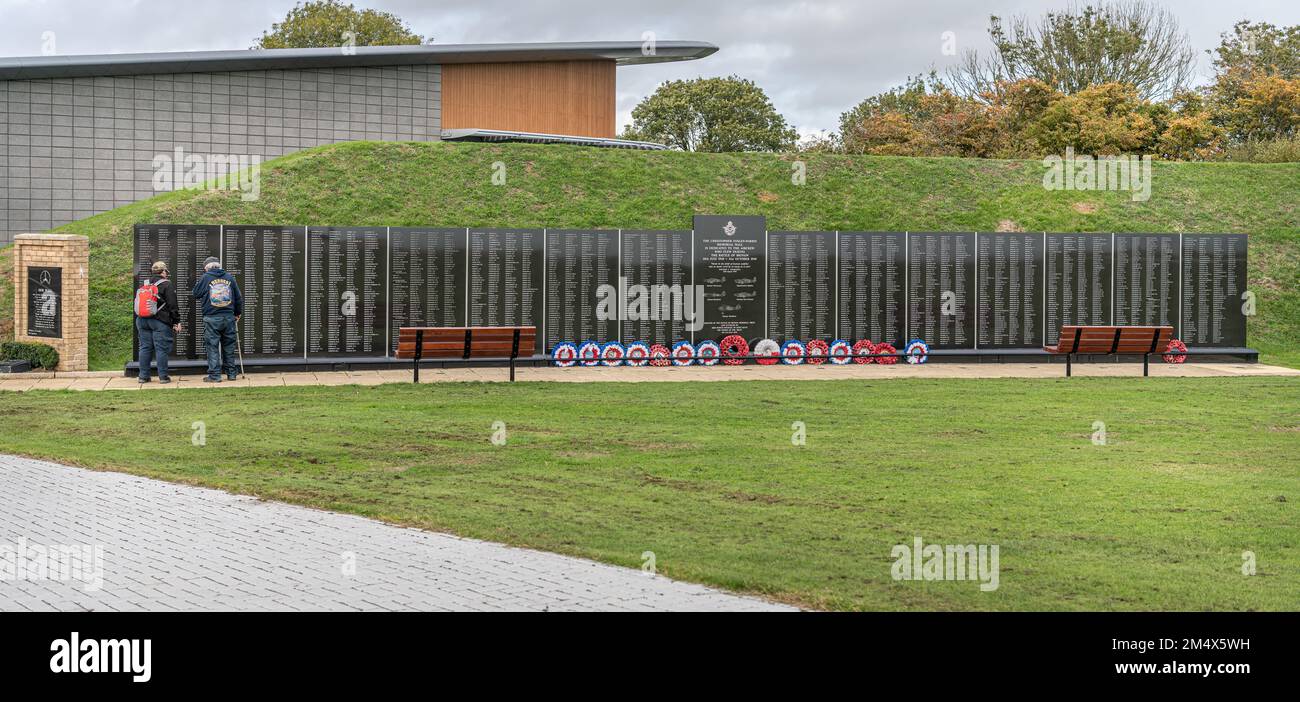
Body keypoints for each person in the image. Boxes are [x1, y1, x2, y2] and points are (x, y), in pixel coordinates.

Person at [192, 256, 243, 382]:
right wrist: (237, 313)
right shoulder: (229, 277)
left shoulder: (206, 277)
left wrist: (200, 281)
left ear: (207, 268)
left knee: (212, 346)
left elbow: (196, 294)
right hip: (228, 317)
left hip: (212, 318)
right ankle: (231, 374)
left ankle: (215, 375)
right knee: (229, 346)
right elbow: (238, 297)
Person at [135, 261, 181, 384]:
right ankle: (163, 377)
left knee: (145, 348)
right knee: (161, 349)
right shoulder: (167, 284)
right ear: (163, 272)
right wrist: (176, 322)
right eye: (166, 272)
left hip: (142, 320)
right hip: (160, 321)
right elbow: (172, 305)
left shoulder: (145, 284)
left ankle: (143, 376)